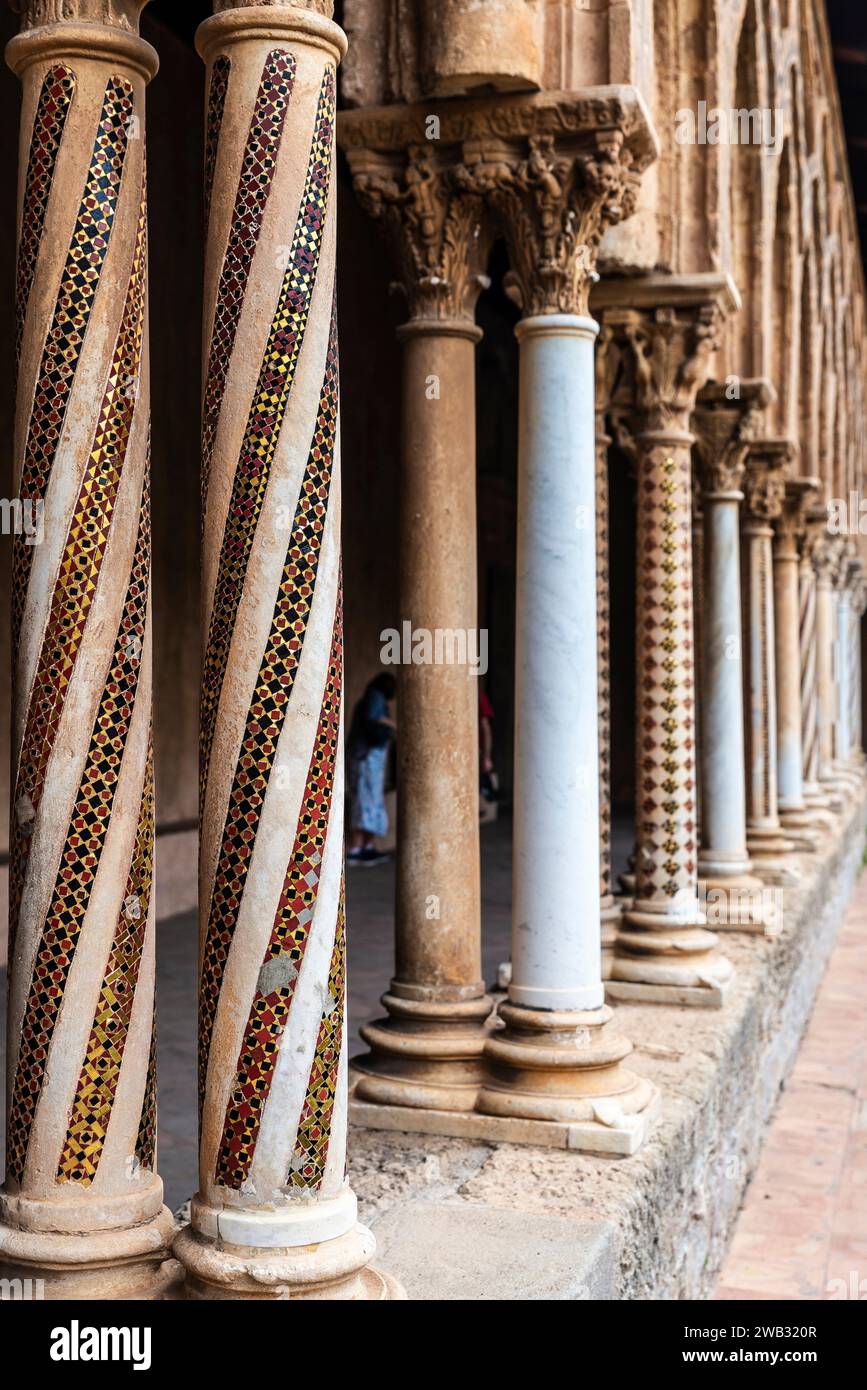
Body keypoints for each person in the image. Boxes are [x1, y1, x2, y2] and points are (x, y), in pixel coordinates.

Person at [347, 672, 397, 866]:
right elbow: (373, 717)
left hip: (369, 759)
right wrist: (393, 724)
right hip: (364, 757)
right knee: (364, 800)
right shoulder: (374, 696)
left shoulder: (376, 698)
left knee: (371, 800)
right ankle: (356, 848)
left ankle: (367, 847)